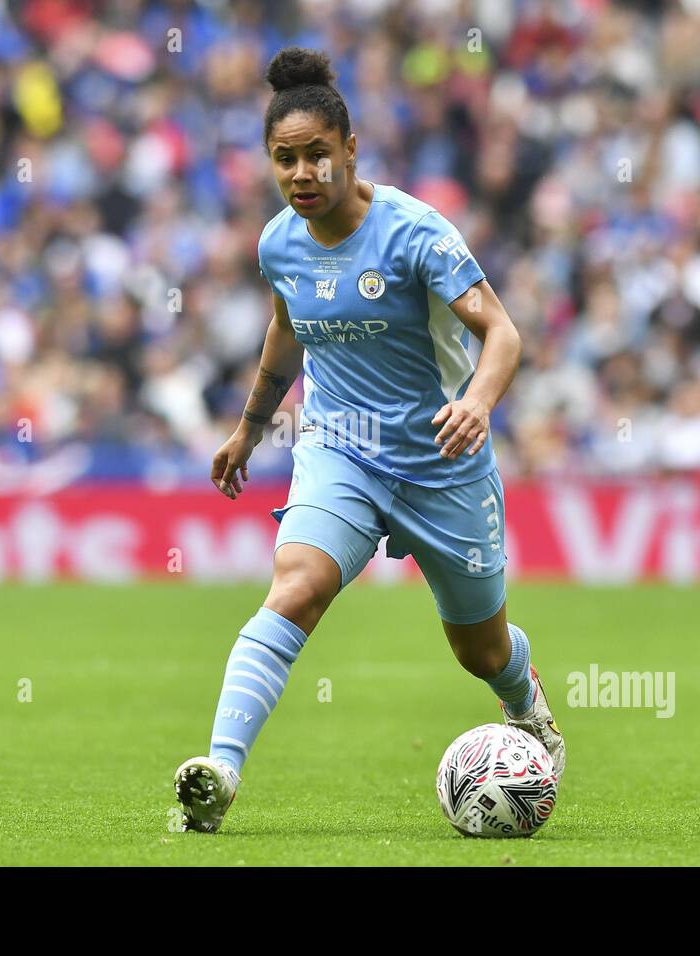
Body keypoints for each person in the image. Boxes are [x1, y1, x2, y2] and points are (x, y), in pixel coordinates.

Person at [173, 47, 564, 832]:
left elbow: (504, 334)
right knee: (297, 587)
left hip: (442, 463)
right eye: (285, 159)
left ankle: (526, 704)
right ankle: (219, 770)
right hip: (339, 451)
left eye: (318, 154)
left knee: (480, 652)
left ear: (351, 151)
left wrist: (480, 403)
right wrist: (249, 430)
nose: (302, 172)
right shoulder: (279, 243)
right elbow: (287, 331)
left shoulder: (416, 234)